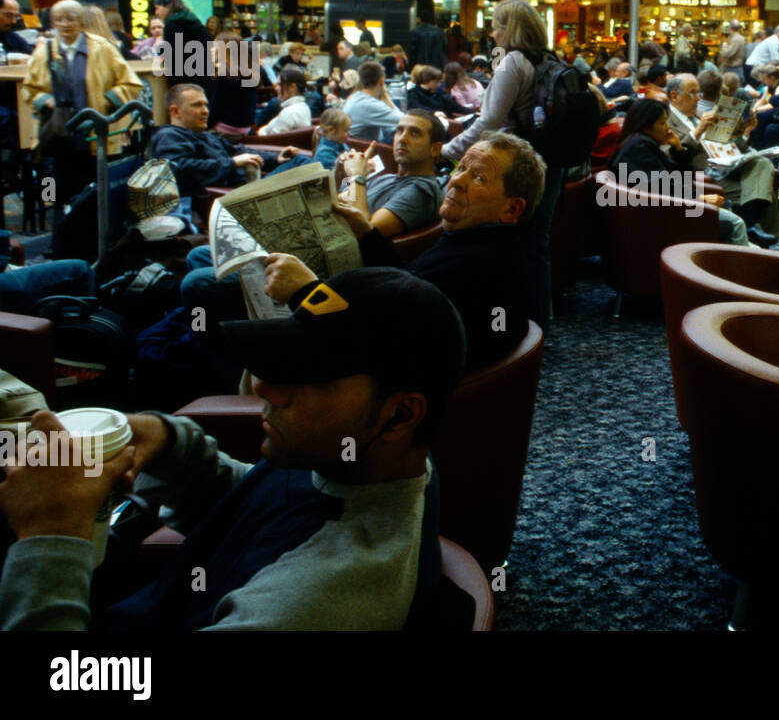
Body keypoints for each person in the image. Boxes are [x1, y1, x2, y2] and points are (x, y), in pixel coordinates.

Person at [0, 267, 466, 630]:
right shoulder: (359, 462)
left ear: (402, 414)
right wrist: (169, 444)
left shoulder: (314, 601)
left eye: (310, 376)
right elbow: (270, 516)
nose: (265, 386)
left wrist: (50, 538)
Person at [268, 132, 539, 372]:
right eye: (461, 167)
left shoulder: (482, 267)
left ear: (512, 209)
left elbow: (377, 335)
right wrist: (368, 235)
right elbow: (409, 286)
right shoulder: (487, 245)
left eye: (479, 177)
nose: (456, 181)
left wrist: (305, 291)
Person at [438, 0, 566, 324]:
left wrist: (447, 151)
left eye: (496, 25)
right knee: (537, 243)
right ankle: (538, 321)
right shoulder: (550, 61)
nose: (492, 32)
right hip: (552, 159)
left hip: (516, 163)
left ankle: (513, 324)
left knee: (514, 245)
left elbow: (488, 123)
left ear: (510, 28)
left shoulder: (513, 63)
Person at [24, 0, 144, 212]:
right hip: (59, 136)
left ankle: (96, 240)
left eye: (71, 18)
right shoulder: (45, 51)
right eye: (59, 19)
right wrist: (45, 100)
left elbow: (131, 83)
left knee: (97, 197)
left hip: (96, 137)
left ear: (81, 20)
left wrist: (106, 101)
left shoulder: (102, 48)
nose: (65, 24)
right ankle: (61, 234)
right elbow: (30, 89)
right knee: (58, 192)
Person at [664, 73, 779, 246]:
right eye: (692, 93)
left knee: (762, 163)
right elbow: (668, 155)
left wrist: (746, 131)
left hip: (725, 165)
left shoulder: (698, 115)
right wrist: (697, 131)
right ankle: (753, 227)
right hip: (701, 173)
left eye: (699, 93)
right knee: (761, 185)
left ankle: (748, 226)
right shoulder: (666, 119)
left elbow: (726, 145)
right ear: (674, 96)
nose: (698, 98)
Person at [610, 99, 749, 246]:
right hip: (662, 217)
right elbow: (663, 186)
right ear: (646, 126)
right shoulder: (638, 147)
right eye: (662, 123)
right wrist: (700, 198)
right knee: (736, 223)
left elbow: (682, 178)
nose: (668, 128)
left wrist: (678, 149)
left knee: (727, 208)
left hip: (664, 210)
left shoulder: (641, 143)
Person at [152, 83, 310, 196]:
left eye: (206, 105)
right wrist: (233, 163)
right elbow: (179, 170)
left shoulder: (206, 135)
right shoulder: (169, 136)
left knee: (300, 162)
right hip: (236, 197)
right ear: (175, 111)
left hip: (251, 187)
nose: (205, 111)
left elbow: (240, 151)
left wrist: (276, 158)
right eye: (197, 105)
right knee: (304, 164)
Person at [153, 0, 212, 94]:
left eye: (158, 8)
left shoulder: (171, 26)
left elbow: (173, 59)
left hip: (182, 84)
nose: (156, 12)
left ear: (167, 7)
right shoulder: (197, 23)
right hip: (203, 82)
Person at [208, 31, 261, 138]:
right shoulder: (251, 74)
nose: (211, 50)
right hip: (246, 131)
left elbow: (214, 111)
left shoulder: (223, 76)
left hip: (224, 132)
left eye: (214, 46)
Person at [343, 61, 402, 141]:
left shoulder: (355, 97)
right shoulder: (369, 105)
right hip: (365, 150)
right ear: (381, 82)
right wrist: (386, 97)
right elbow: (404, 120)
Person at [258, 66, 312, 136]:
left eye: (279, 85)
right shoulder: (304, 107)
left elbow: (273, 140)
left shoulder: (289, 113)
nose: (276, 89)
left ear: (293, 87)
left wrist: (260, 132)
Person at [406, 64, 473, 117]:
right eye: (436, 82)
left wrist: (474, 112)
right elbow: (416, 107)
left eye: (439, 82)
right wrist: (434, 113)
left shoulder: (439, 94)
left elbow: (456, 107)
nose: (439, 85)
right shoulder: (413, 93)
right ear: (426, 81)